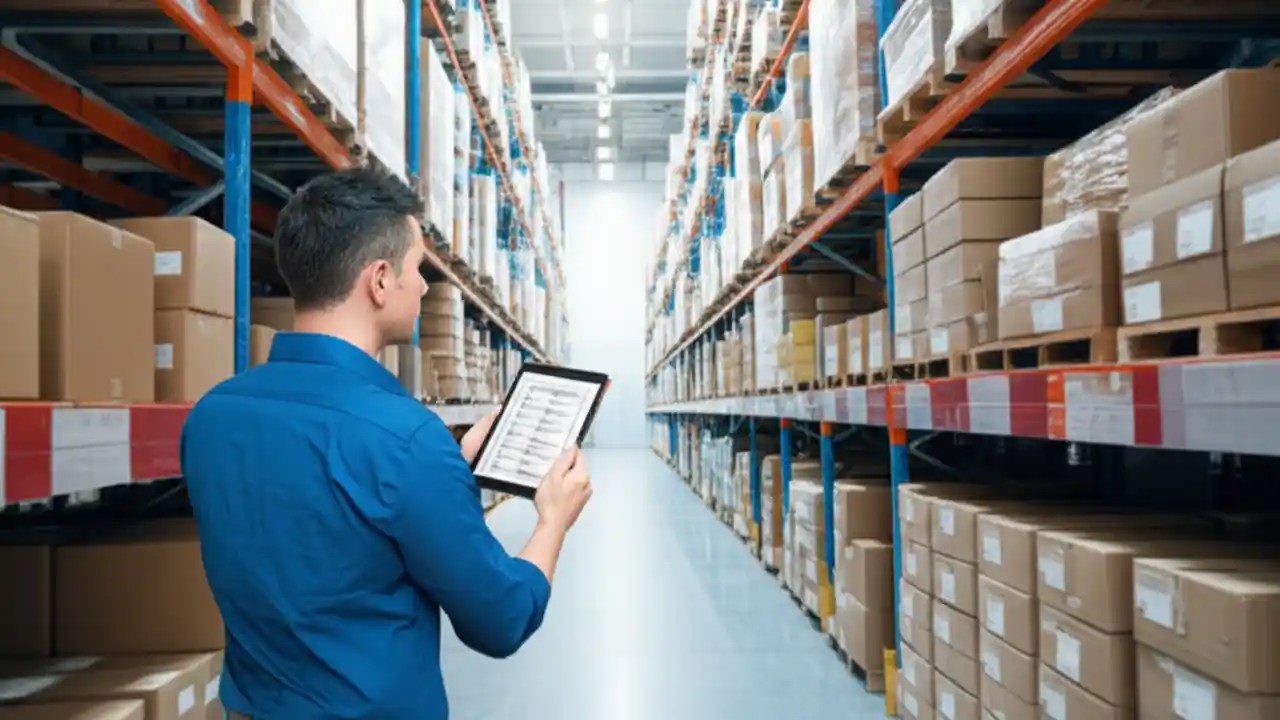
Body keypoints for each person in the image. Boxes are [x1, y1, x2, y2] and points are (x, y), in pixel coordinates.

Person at [181, 168, 592, 719]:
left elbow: (328, 527)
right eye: (417, 269)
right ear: (379, 280)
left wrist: (455, 471)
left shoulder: (212, 416)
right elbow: (501, 618)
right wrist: (552, 522)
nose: (423, 286)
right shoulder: (407, 442)